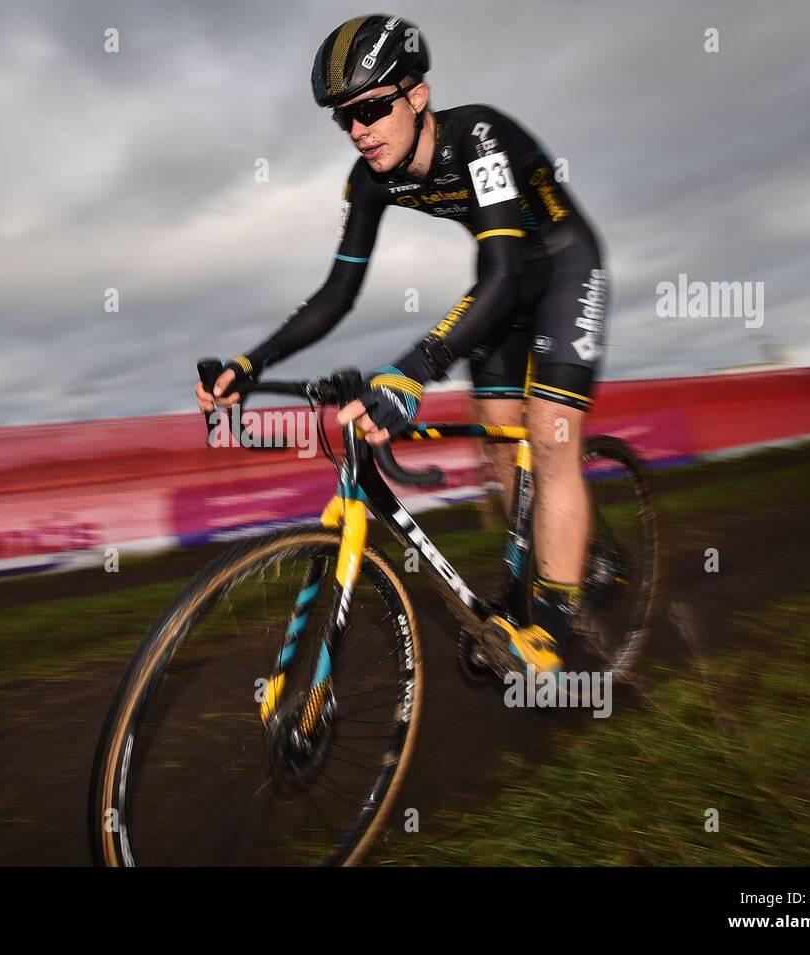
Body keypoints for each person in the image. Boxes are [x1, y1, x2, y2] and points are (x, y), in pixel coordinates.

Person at [194, 14, 609, 674]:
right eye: (344, 117)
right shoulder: (371, 180)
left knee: (551, 435)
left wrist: (414, 370)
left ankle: (552, 625)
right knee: (499, 444)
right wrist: (252, 363)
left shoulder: (479, 136)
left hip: (560, 265)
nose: (358, 130)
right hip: (501, 281)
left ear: (418, 95)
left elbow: (503, 274)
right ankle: (531, 564)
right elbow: (336, 295)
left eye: (372, 108)